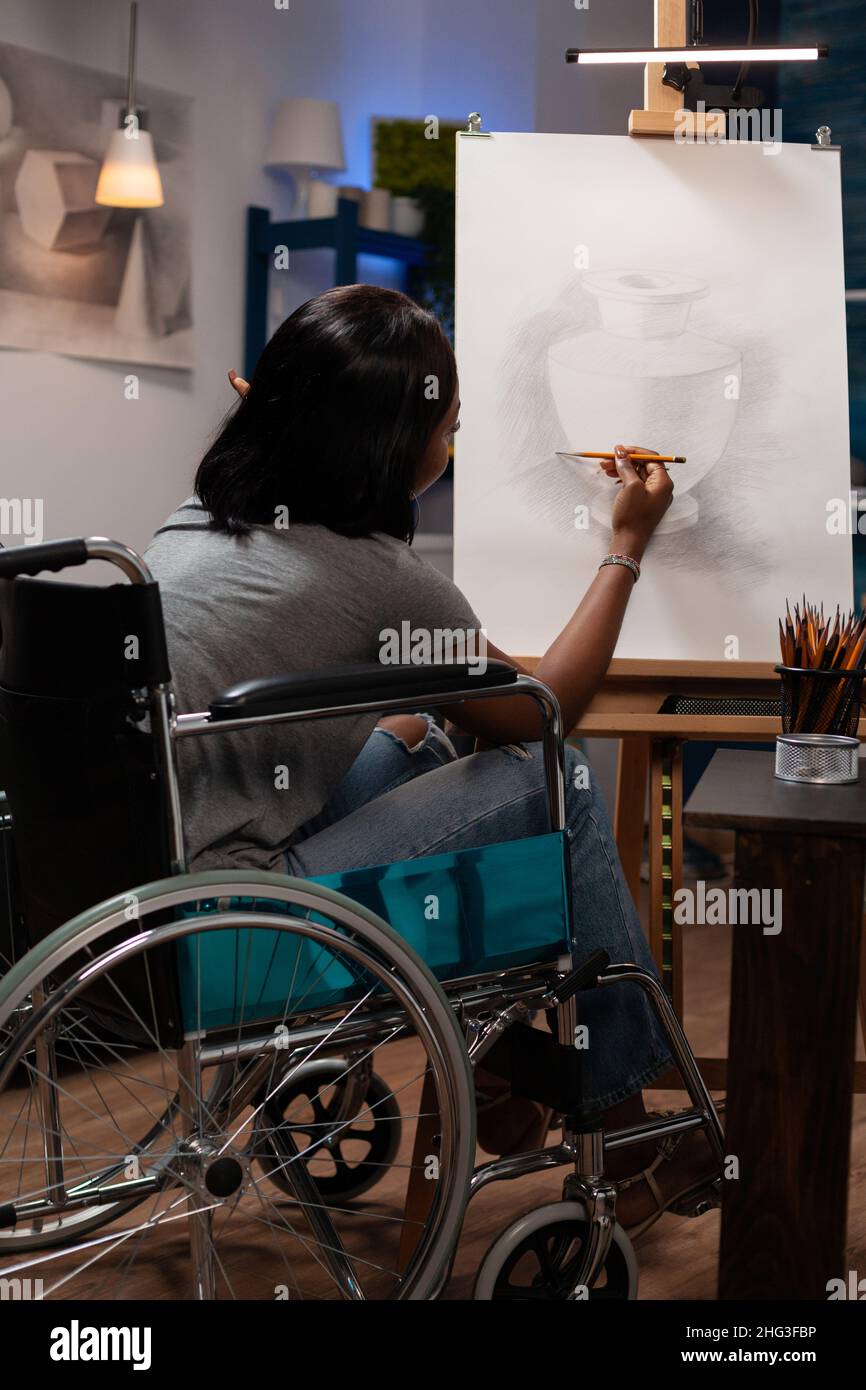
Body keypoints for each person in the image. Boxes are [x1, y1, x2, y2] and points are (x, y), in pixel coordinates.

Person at [145, 283, 717, 1237]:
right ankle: (627, 1120)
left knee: (418, 739)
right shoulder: (372, 575)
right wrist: (626, 546)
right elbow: (543, 713)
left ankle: (497, 1063)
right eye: (449, 427)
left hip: (142, 909)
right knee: (554, 782)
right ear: (391, 448)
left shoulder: (193, 524)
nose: (453, 446)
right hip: (237, 937)